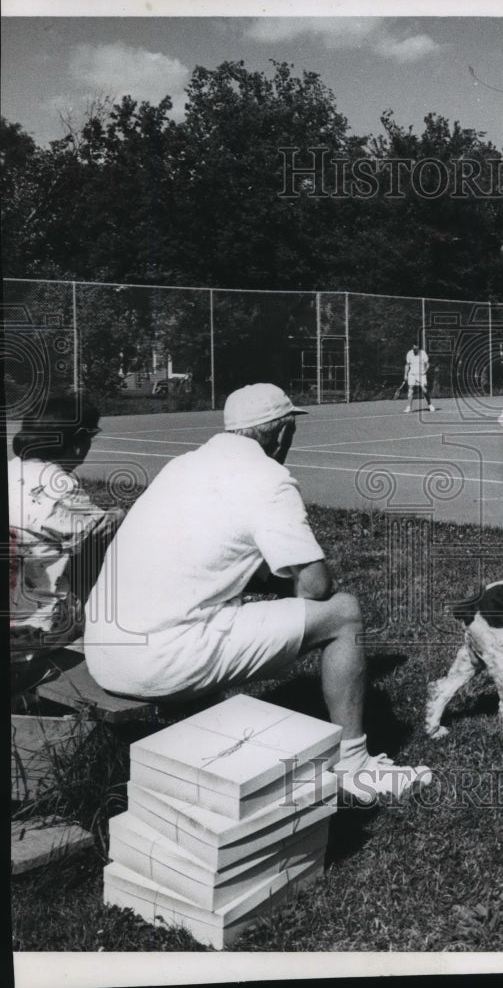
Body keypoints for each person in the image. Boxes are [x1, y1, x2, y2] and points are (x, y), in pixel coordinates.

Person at [82, 383, 431, 806]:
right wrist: (292, 583)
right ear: (282, 434)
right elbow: (317, 586)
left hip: (104, 650)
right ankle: (353, 768)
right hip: (158, 662)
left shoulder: (182, 465)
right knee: (344, 613)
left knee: (226, 605)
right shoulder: (269, 479)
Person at [9, 394, 125, 700]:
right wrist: (120, 514)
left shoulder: (11, 469)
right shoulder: (60, 488)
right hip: (34, 633)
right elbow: (115, 538)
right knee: (111, 564)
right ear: (78, 443)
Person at [403, 341, 435, 413]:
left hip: (421, 375)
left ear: (418, 348)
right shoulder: (409, 353)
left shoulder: (423, 353)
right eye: (413, 348)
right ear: (412, 347)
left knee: (425, 391)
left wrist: (426, 370)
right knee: (410, 390)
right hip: (412, 374)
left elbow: (428, 364)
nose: (414, 350)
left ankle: (430, 405)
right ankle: (408, 407)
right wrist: (405, 374)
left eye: (416, 349)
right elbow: (407, 365)